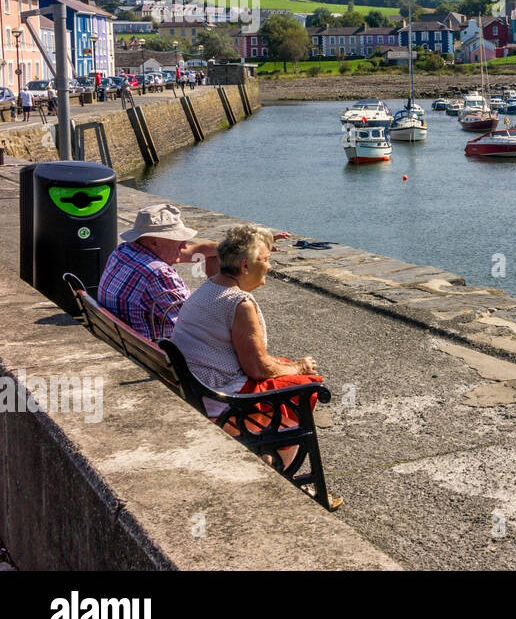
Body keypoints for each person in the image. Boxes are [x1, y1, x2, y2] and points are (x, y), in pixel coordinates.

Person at [170, 225, 338, 509]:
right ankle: (282, 475)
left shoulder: (209, 288)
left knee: (285, 368)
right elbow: (258, 370)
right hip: (220, 399)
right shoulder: (239, 303)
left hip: (197, 386)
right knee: (308, 385)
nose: (270, 266)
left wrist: (289, 366)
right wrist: (299, 367)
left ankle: (271, 457)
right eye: (265, 260)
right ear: (246, 265)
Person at [98, 204, 221, 340]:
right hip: (164, 350)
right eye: (178, 239)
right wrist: (220, 282)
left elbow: (189, 251)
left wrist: (224, 250)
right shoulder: (158, 274)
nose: (185, 245)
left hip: (130, 342)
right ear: (154, 242)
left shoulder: (123, 251)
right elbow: (201, 324)